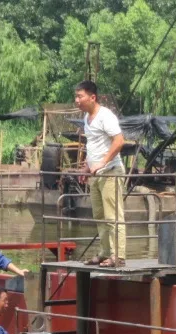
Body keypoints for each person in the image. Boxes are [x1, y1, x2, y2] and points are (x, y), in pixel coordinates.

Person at [74, 80, 127, 268]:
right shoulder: (87, 118)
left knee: (113, 216)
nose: (77, 100)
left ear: (92, 97)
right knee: (99, 215)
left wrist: (102, 162)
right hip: (96, 175)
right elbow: (94, 145)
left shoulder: (105, 116)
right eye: (76, 96)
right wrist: (87, 168)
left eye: (80, 96)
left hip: (110, 172)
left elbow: (119, 141)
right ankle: (105, 252)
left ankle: (118, 255)